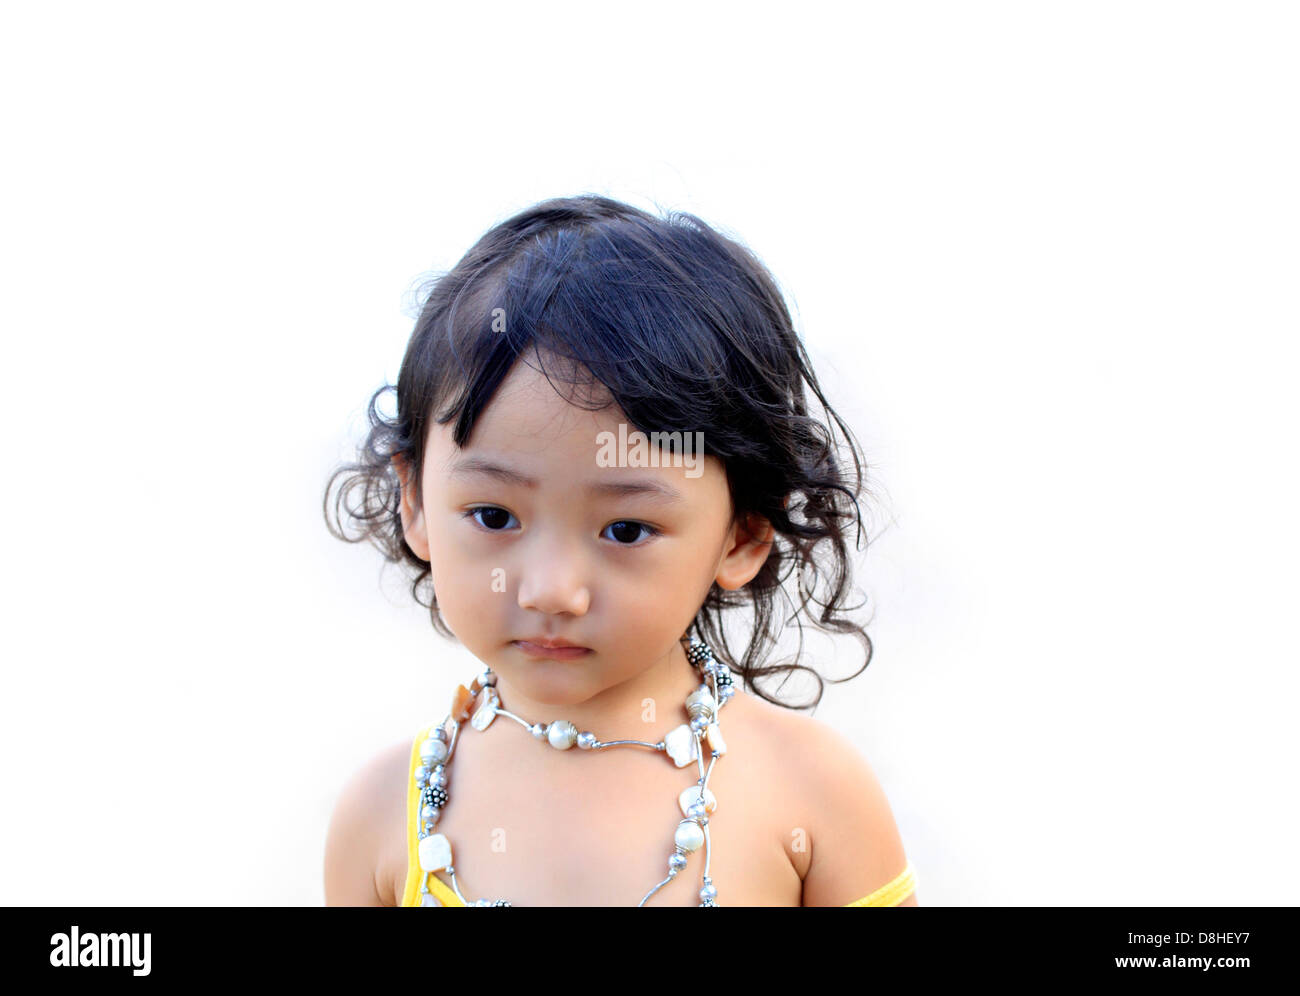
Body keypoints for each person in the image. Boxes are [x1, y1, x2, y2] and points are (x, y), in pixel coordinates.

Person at [321, 194, 919, 907]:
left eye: (625, 530)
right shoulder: (386, 818)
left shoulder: (811, 794)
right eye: (493, 514)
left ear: (744, 533)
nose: (550, 590)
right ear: (415, 502)